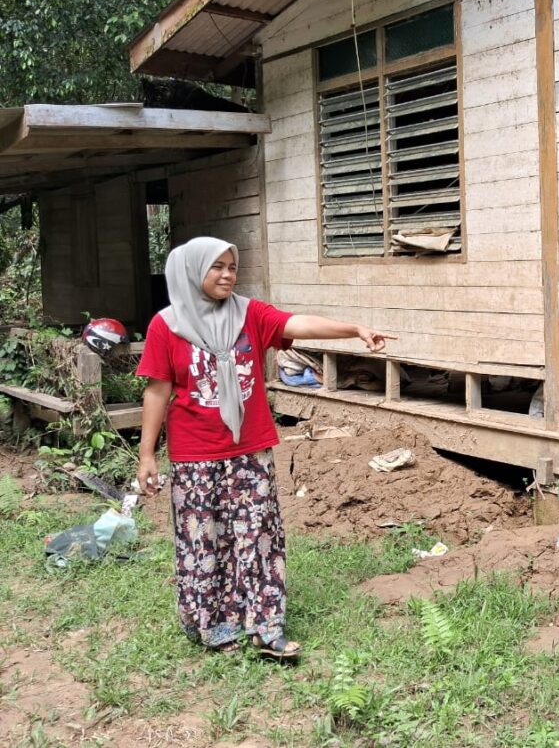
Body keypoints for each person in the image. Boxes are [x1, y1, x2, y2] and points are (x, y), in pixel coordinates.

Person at [136, 236, 394, 659]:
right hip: (195, 454)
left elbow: (296, 324)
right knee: (204, 540)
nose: (226, 275)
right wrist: (147, 455)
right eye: (215, 267)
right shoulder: (166, 326)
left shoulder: (248, 314)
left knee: (258, 535)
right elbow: (157, 392)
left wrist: (354, 330)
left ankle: (265, 625)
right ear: (190, 271)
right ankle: (212, 622)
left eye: (232, 267)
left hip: (249, 448)